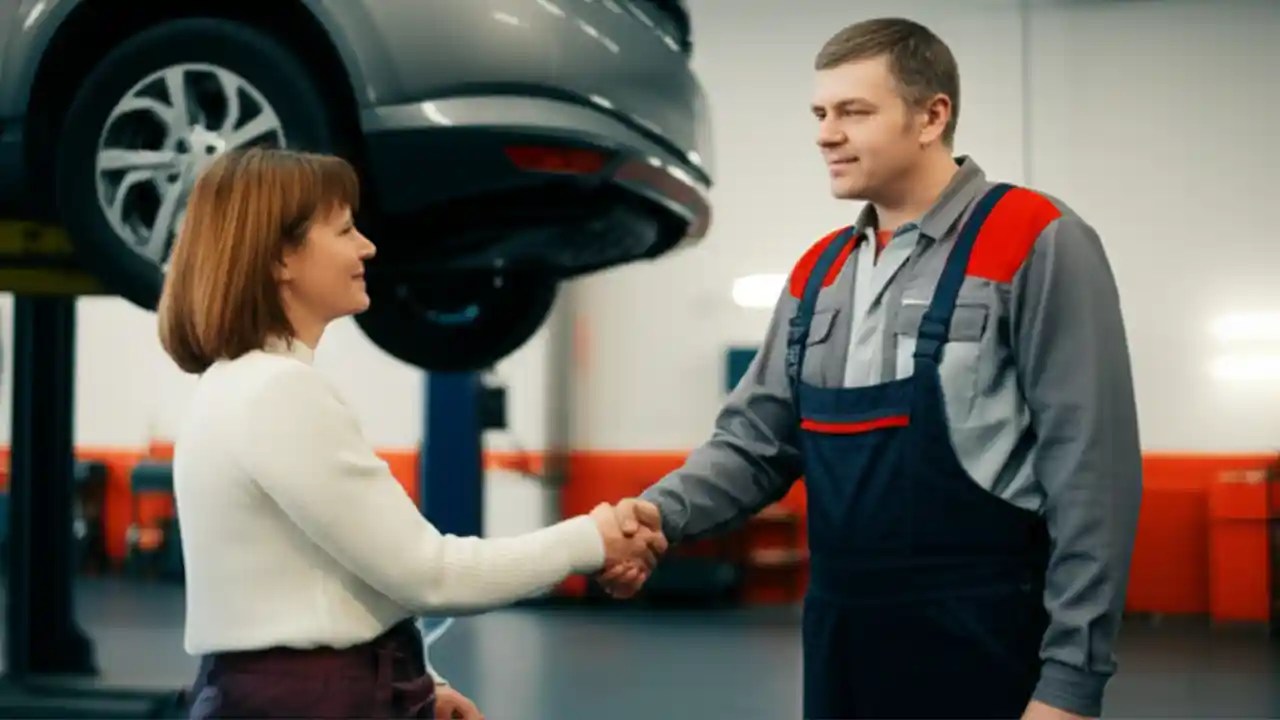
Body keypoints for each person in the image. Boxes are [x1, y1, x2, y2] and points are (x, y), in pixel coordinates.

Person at [600, 16, 1143, 720]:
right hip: (843, 638)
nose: (826, 133)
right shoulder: (819, 274)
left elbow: (1091, 475)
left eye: (854, 111)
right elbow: (754, 443)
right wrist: (658, 515)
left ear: (931, 116)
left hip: (986, 641)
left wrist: (1071, 682)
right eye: (821, 113)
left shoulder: (1035, 242)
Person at [158, 146, 666, 719]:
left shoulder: (231, 386)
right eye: (346, 229)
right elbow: (429, 574)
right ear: (281, 257)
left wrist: (425, 679)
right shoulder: (279, 393)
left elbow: (331, 572)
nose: (366, 246)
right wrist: (593, 538)